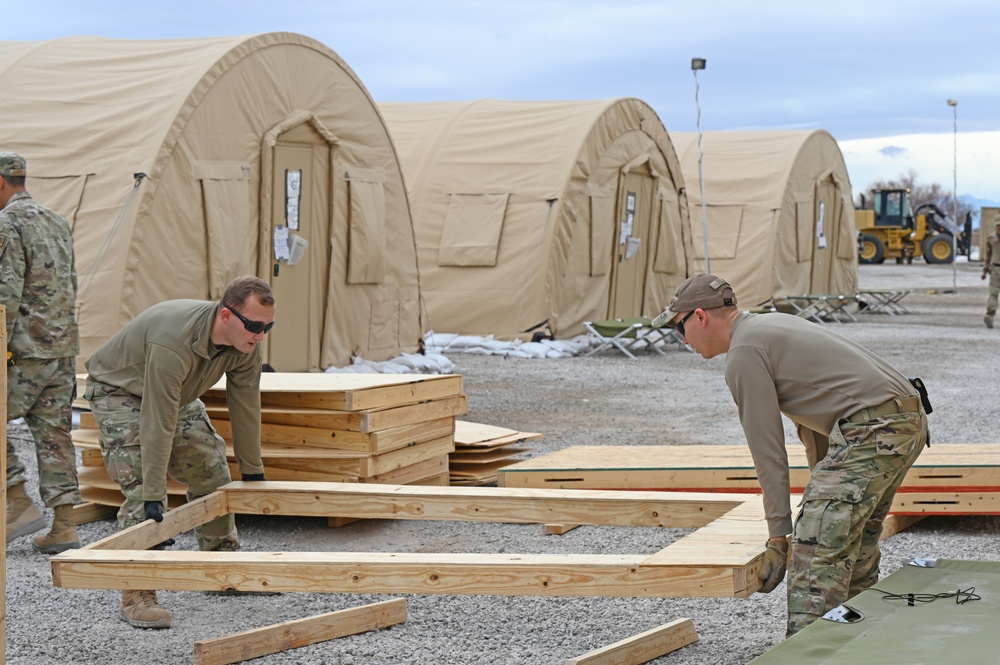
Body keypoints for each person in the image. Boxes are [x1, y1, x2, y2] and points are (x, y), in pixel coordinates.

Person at [653, 273, 929, 637]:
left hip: (875, 428)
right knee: (851, 541)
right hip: (903, 420)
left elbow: (768, 452)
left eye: (679, 328)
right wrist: (824, 488)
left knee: (814, 549)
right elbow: (815, 414)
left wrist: (778, 537)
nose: (683, 340)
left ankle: (809, 653)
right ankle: (860, 644)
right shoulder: (767, 326)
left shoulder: (743, 354)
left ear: (701, 317)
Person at [84, 276, 274, 629]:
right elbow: (158, 416)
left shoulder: (247, 343)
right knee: (141, 491)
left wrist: (253, 471)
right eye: (254, 325)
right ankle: (137, 592)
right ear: (227, 316)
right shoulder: (174, 341)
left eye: (267, 327)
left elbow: (246, 403)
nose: (260, 335)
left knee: (213, 471)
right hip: (121, 391)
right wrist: (156, 494)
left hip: (175, 393)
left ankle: (222, 566)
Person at [0, 152, 82, 553]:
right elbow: (71, 283)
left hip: (25, 351)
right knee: (53, 435)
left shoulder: (7, 223)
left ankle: (16, 499)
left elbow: (5, 293)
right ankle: (64, 525)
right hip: (61, 348)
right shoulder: (55, 219)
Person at [980, 218, 1000, 328]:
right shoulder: (991, 239)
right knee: (993, 293)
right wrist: (985, 271)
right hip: (996, 269)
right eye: (998, 226)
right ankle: (990, 316)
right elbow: (988, 256)